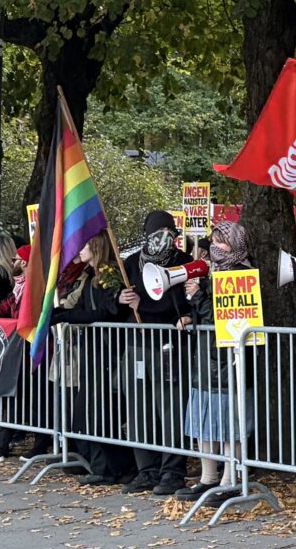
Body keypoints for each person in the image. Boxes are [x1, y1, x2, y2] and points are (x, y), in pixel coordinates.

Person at [51, 233, 137, 486]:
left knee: (99, 412)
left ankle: (110, 467)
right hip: (92, 351)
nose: (80, 250)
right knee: (87, 413)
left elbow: (103, 313)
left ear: (96, 247)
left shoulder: (108, 276)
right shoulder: (91, 277)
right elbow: (84, 309)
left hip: (105, 352)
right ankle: (106, 465)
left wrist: (65, 317)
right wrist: (59, 313)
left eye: (85, 245)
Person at [122, 210, 196, 497]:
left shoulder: (184, 263)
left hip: (169, 347)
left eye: (168, 232)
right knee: (139, 410)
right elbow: (115, 303)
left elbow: (188, 302)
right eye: (157, 232)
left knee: (171, 410)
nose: (163, 238)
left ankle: (172, 471)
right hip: (138, 345)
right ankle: (147, 470)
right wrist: (121, 298)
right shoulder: (131, 263)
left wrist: (186, 316)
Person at [181, 220, 244, 500]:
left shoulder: (241, 273)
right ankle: (208, 479)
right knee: (203, 421)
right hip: (207, 360)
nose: (215, 247)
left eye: (221, 241)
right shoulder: (213, 273)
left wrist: (199, 298)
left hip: (227, 361)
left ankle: (230, 480)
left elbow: (223, 319)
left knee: (229, 425)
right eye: (214, 241)